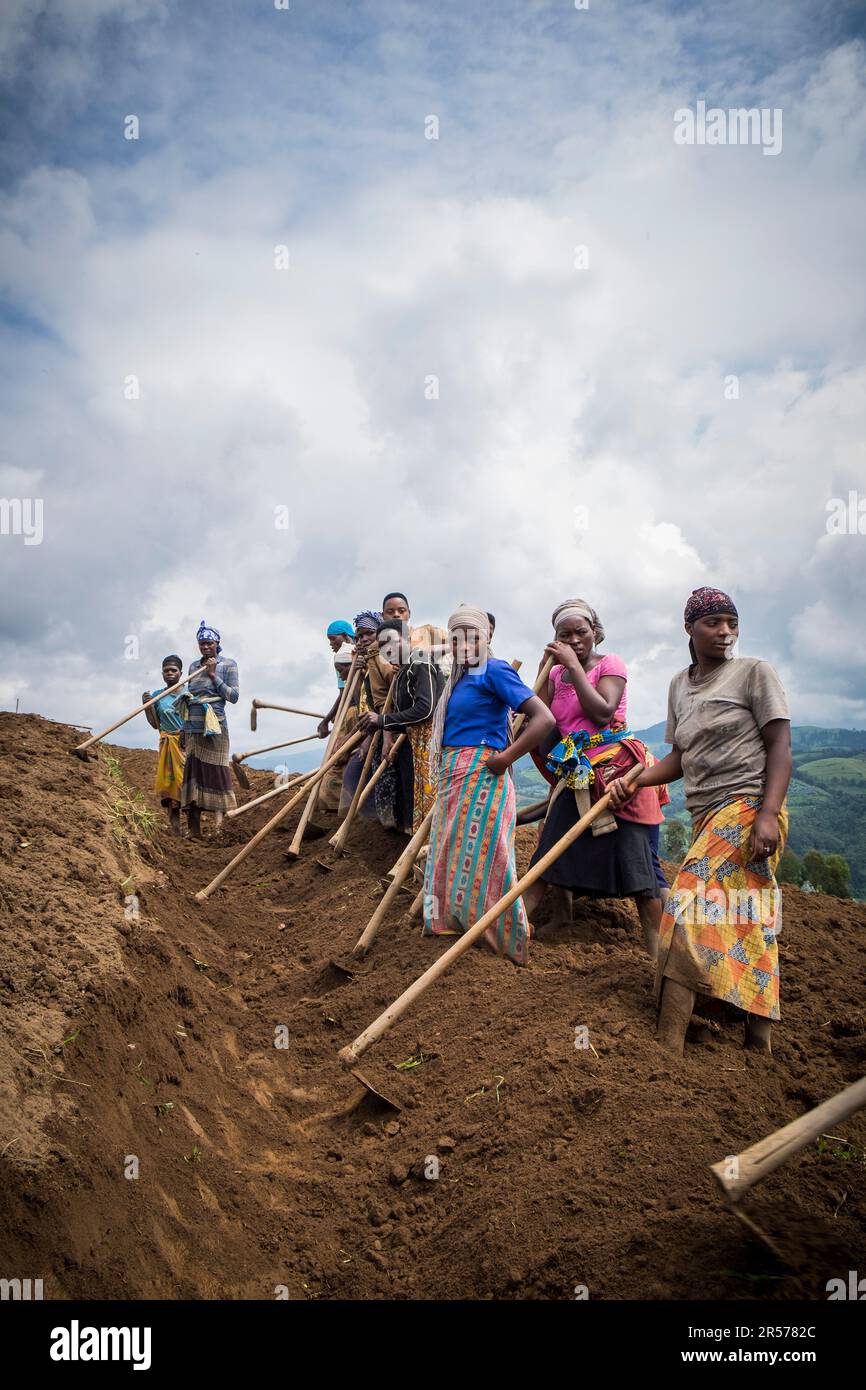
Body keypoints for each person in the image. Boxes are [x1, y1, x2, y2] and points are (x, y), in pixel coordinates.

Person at [608, 587, 791, 1056]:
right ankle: (757, 1042)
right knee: (744, 916)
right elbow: (679, 758)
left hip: (749, 808)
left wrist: (768, 814)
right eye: (713, 623)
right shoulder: (679, 685)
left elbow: (780, 747)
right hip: (707, 817)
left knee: (687, 907)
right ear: (689, 628)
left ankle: (667, 1046)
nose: (725, 632)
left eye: (732, 623)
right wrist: (637, 780)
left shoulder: (754, 673)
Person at [523, 600, 668, 957]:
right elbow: (544, 719)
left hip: (618, 771)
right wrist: (545, 670)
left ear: (595, 632)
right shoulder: (556, 675)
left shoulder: (609, 664)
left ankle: (659, 952)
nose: (574, 640)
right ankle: (518, 928)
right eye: (564, 634)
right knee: (548, 852)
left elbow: (603, 713)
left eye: (581, 632)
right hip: (578, 772)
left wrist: (573, 665)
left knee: (638, 864)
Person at [422, 604, 555, 963]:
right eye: (456, 637)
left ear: (487, 637)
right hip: (454, 773)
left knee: (487, 855)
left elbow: (543, 718)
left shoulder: (494, 671)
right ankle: (459, 926)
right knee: (452, 850)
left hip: (483, 775)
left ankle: (503, 937)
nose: (464, 643)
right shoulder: (460, 679)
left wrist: (507, 757)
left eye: (472, 635)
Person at [358, 619, 446, 833]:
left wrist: (382, 721)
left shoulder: (421, 661)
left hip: (430, 747)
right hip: (414, 745)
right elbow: (401, 714)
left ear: (406, 638)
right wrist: (384, 730)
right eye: (382, 646)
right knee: (416, 805)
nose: (387, 649)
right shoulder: (401, 673)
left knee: (430, 810)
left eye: (391, 641)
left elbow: (425, 709)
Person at [177, 620, 239, 838]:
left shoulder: (228, 665)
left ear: (217, 643)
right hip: (193, 725)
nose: (205, 647)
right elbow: (189, 697)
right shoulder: (194, 666)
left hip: (216, 727)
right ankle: (195, 831)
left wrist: (213, 674)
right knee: (193, 774)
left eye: (209, 643)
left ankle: (220, 829)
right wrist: (183, 729)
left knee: (217, 773)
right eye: (201, 644)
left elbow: (233, 697)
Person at [143, 655, 186, 835]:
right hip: (167, 743)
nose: (169, 673)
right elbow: (155, 724)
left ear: (180, 673)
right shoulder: (157, 696)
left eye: (173, 670)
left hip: (185, 744)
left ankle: (193, 828)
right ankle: (175, 827)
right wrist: (147, 706)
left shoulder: (188, 693)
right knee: (170, 786)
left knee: (188, 784)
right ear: (162, 673)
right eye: (166, 671)